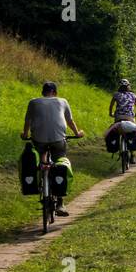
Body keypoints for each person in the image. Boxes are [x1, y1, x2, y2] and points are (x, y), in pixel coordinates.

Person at [21, 81, 84, 217]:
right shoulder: (63, 101)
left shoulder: (33, 102)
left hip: (38, 139)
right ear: (55, 92)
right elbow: (69, 121)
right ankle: (60, 203)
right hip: (58, 141)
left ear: (42, 92)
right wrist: (77, 133)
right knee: (60, 161)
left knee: (40, 156)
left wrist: (25, 135)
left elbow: (28, 121)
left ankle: (41, 181)